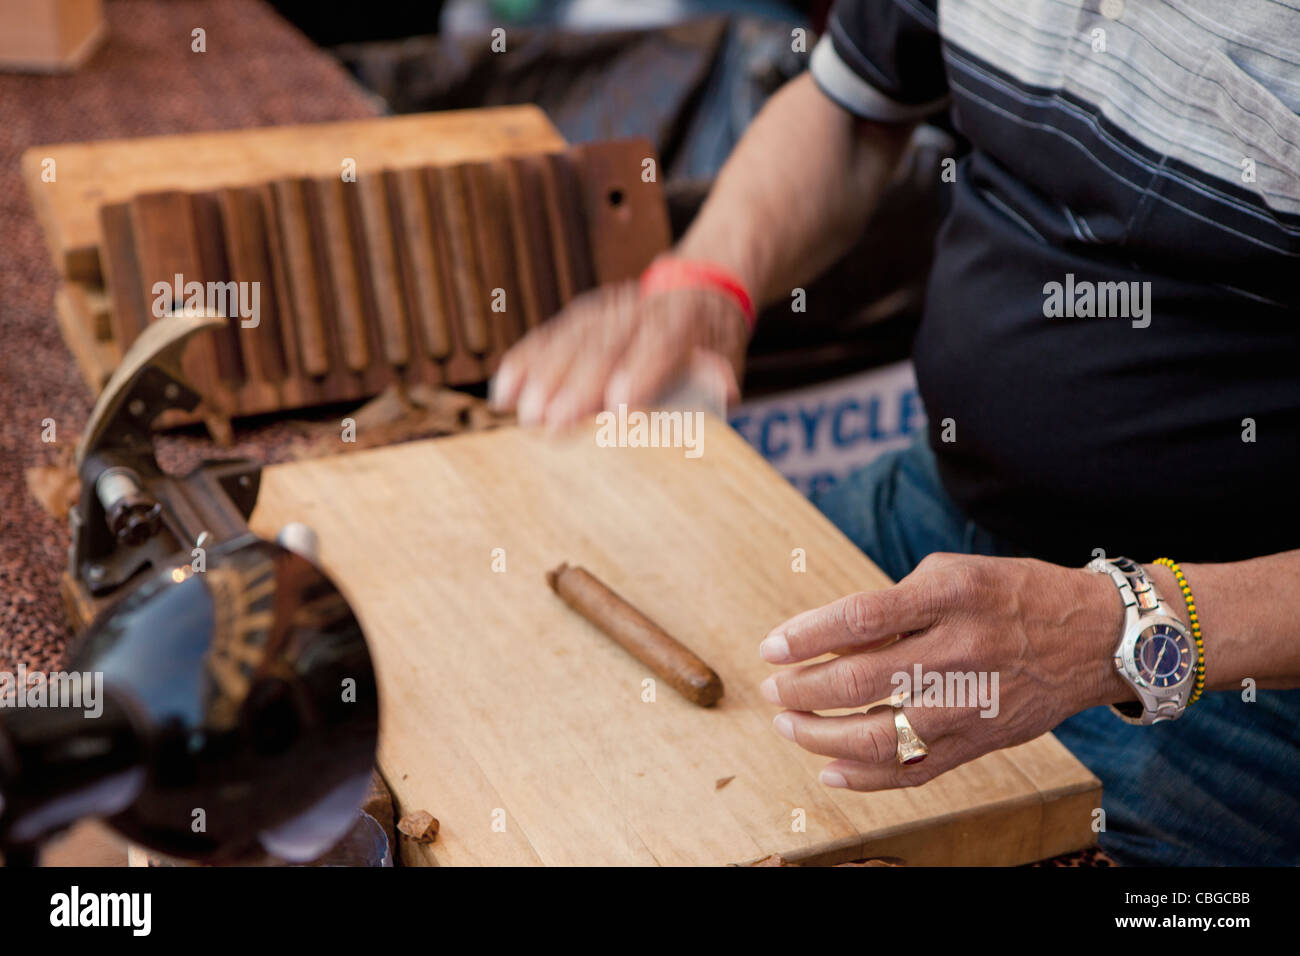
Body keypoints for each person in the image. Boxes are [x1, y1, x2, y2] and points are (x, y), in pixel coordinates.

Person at [490, 0, 1300, 865]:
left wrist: (1114, 630)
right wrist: (708, 278)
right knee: (587, 757)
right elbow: (848, 107)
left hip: (1227, 666)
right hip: (934, 523)